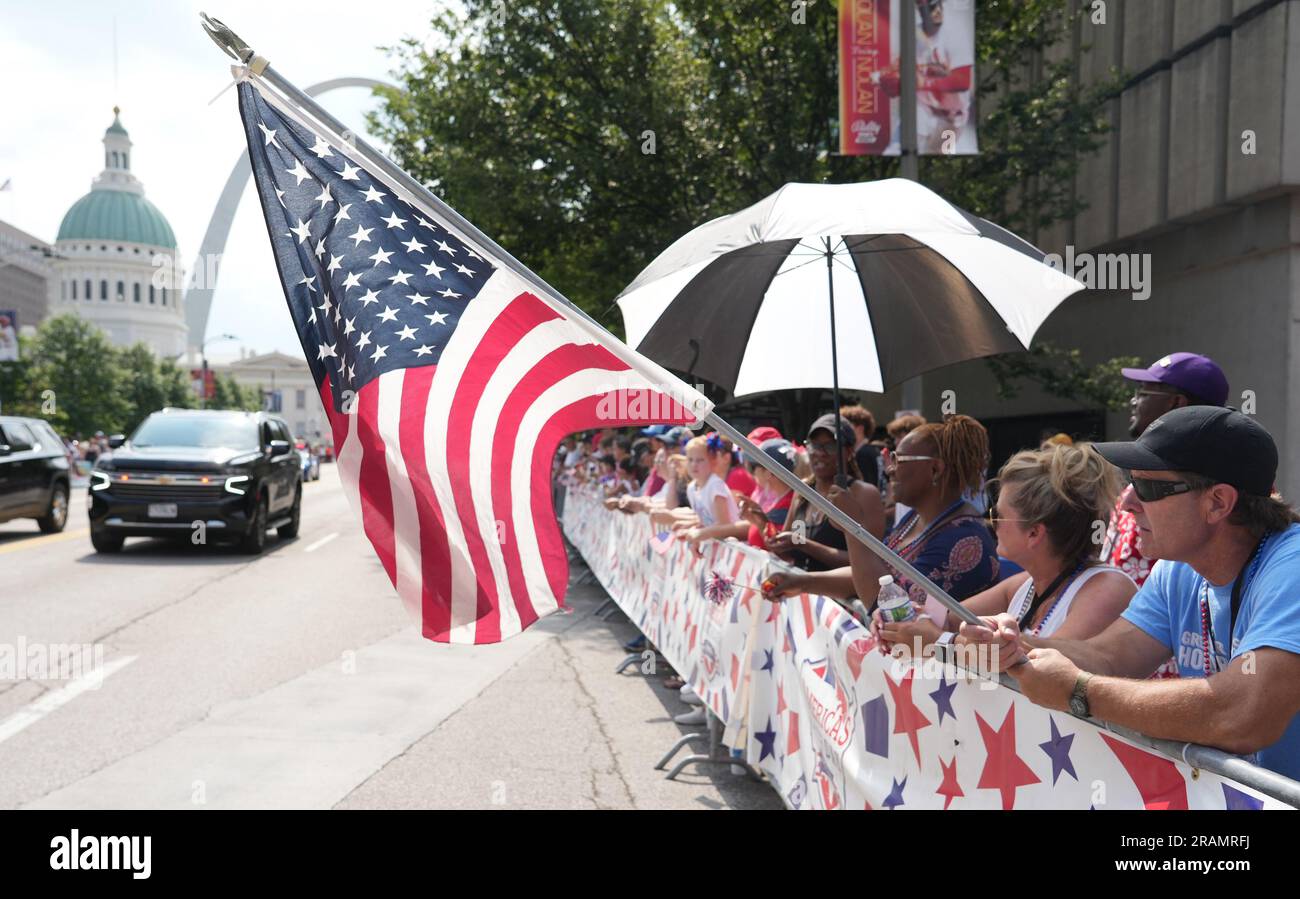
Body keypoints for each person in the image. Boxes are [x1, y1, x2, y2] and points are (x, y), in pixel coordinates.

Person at [961, 406, 1300, 780]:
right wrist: (1013, 643)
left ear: (1218, 502)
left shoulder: (1291, 567)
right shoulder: (1178, 569)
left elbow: (1242, 714)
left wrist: (1080, 692)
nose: (1126, 502)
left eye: (1148, 488)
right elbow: (1109, 656)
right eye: (1130, 483)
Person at [874, 442, 1137, 654]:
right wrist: (896, 616)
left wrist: (939, 642)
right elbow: (942, 617)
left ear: (1034, 533)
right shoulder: (1026, 583)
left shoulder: (1106, 588)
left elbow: (1049, 663)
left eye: (997, 514)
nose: (990, 522)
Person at [768, 415, 1000, 611]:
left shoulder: (964, 540)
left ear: (935, 469)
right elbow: (877, 573)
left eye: (898, 459)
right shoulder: (914, 519)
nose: (890, 469)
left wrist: (852, 528)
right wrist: (802, 582)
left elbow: (889, 609)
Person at [765, 414, 883, 572]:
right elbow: (789, 550)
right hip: (800, 593)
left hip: (840, 596)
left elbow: (870, 562)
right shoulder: (802, 491)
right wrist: (764, 527)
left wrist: (806, 545)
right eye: (814, 446)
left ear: (848, 452)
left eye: (830, 446)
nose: (820, 453)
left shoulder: (864, 494)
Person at [738, 438, 798, 549]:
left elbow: (780, 547)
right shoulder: (782, 500)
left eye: (753, 467)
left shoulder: (788, 505)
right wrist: (753, 519)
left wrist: (760, 522)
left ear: (768, 472)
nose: (752, 473)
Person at [840, 404, 883, 491]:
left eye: (847, 426)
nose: (842, 431)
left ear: (860, 429)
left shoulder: (863, 454)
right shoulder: (873, 450)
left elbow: (867, 486)